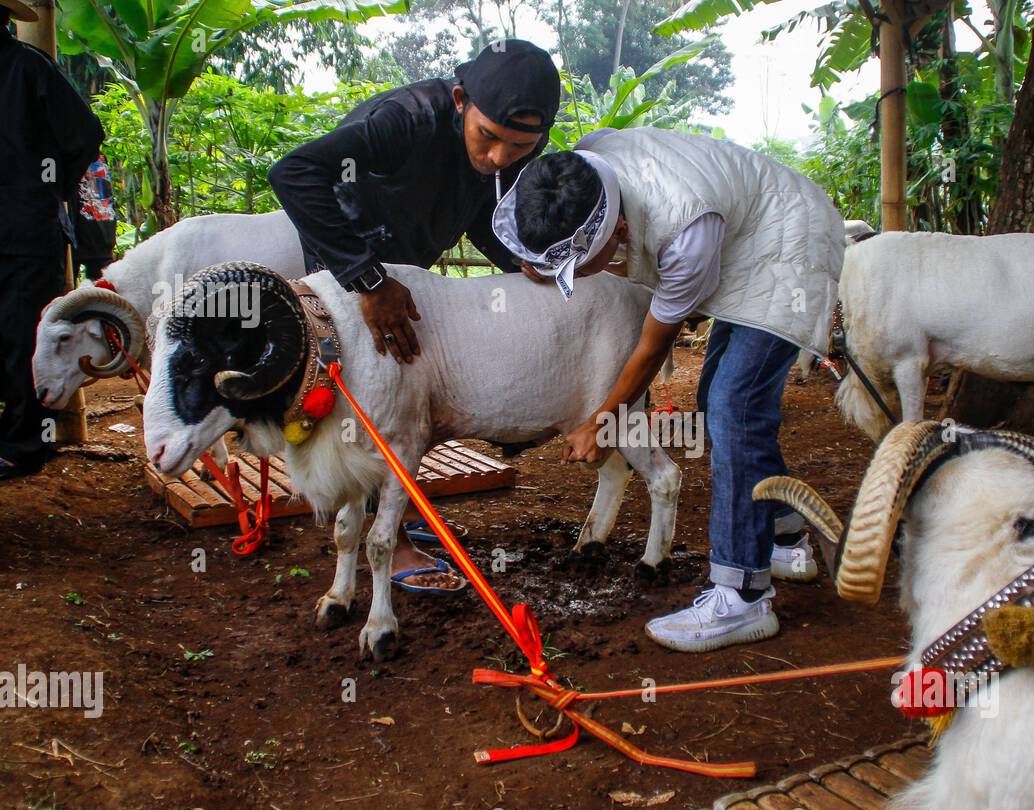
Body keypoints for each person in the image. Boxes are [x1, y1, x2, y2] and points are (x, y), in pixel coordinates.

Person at [492, 127, 845, 653]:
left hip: (788, 245)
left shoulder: (686, 237)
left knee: (733, 406)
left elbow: (651, 348)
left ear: (620, 230)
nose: (578, 274)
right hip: (746, 229)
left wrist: (599, 423)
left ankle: (742, 595)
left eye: (578, 264)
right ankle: (785, 537)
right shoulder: (586, 163)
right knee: (717, 403)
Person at [270, 39, 560, 585]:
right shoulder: (402, 122)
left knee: (398, 394)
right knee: (368, 398)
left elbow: (476, 213)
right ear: (458, 99)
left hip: (401, 273)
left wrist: (520, 260)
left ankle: (388, 518)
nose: (499, 157)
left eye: (521, 147)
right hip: (348, 261)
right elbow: (294, 173)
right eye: (489, 138)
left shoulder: (499, 153)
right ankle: (389, 540)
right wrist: (368, 280)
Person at [0, 0, 104, 480]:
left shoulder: (27, 67)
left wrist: (52, 188)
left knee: (23, 336)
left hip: (26, 234)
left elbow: (85, 133)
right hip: (21, 225)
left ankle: (26, 445)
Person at [73, 153, 117, 281]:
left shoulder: (97, 159)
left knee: (103, 291)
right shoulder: (99, 157)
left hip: (96, 235)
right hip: (98, 236)